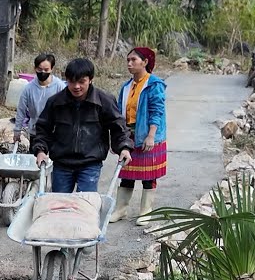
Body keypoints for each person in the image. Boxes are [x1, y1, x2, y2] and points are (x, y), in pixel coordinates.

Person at [32, 57, 133, 193]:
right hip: (62, 163)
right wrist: (40, 151)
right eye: (72, 81)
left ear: (90, 79)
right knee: (59, 205)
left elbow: (118, 126)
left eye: (81, 81)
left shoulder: (104, 101)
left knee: (85, 205)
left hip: (90, 163)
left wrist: (124, 148)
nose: (76, 86)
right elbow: (43, 128)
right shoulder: (55, 102)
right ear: (66, 79)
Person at [111, 47, 167, 223]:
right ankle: (121, 210)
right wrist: (117, 138)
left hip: (147, 135)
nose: (129, 64)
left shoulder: (154, 85)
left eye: (133, 60)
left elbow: (156, 111)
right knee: (126, 174)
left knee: (148, 176)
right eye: (128, 60)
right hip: (129, 135)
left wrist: (151, 135)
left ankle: (146, 211)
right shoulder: (126, 87)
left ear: (145, 62)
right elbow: (119, 113)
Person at [14, 53, 66, 145]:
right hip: (36, 132)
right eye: (39, 69)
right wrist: (17, 130)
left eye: (46, 70)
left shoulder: (60, 87)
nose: (43, 72)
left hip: (55, 132)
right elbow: (21, 110)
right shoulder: (28, 88)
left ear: (51, 69)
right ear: (35, 69)